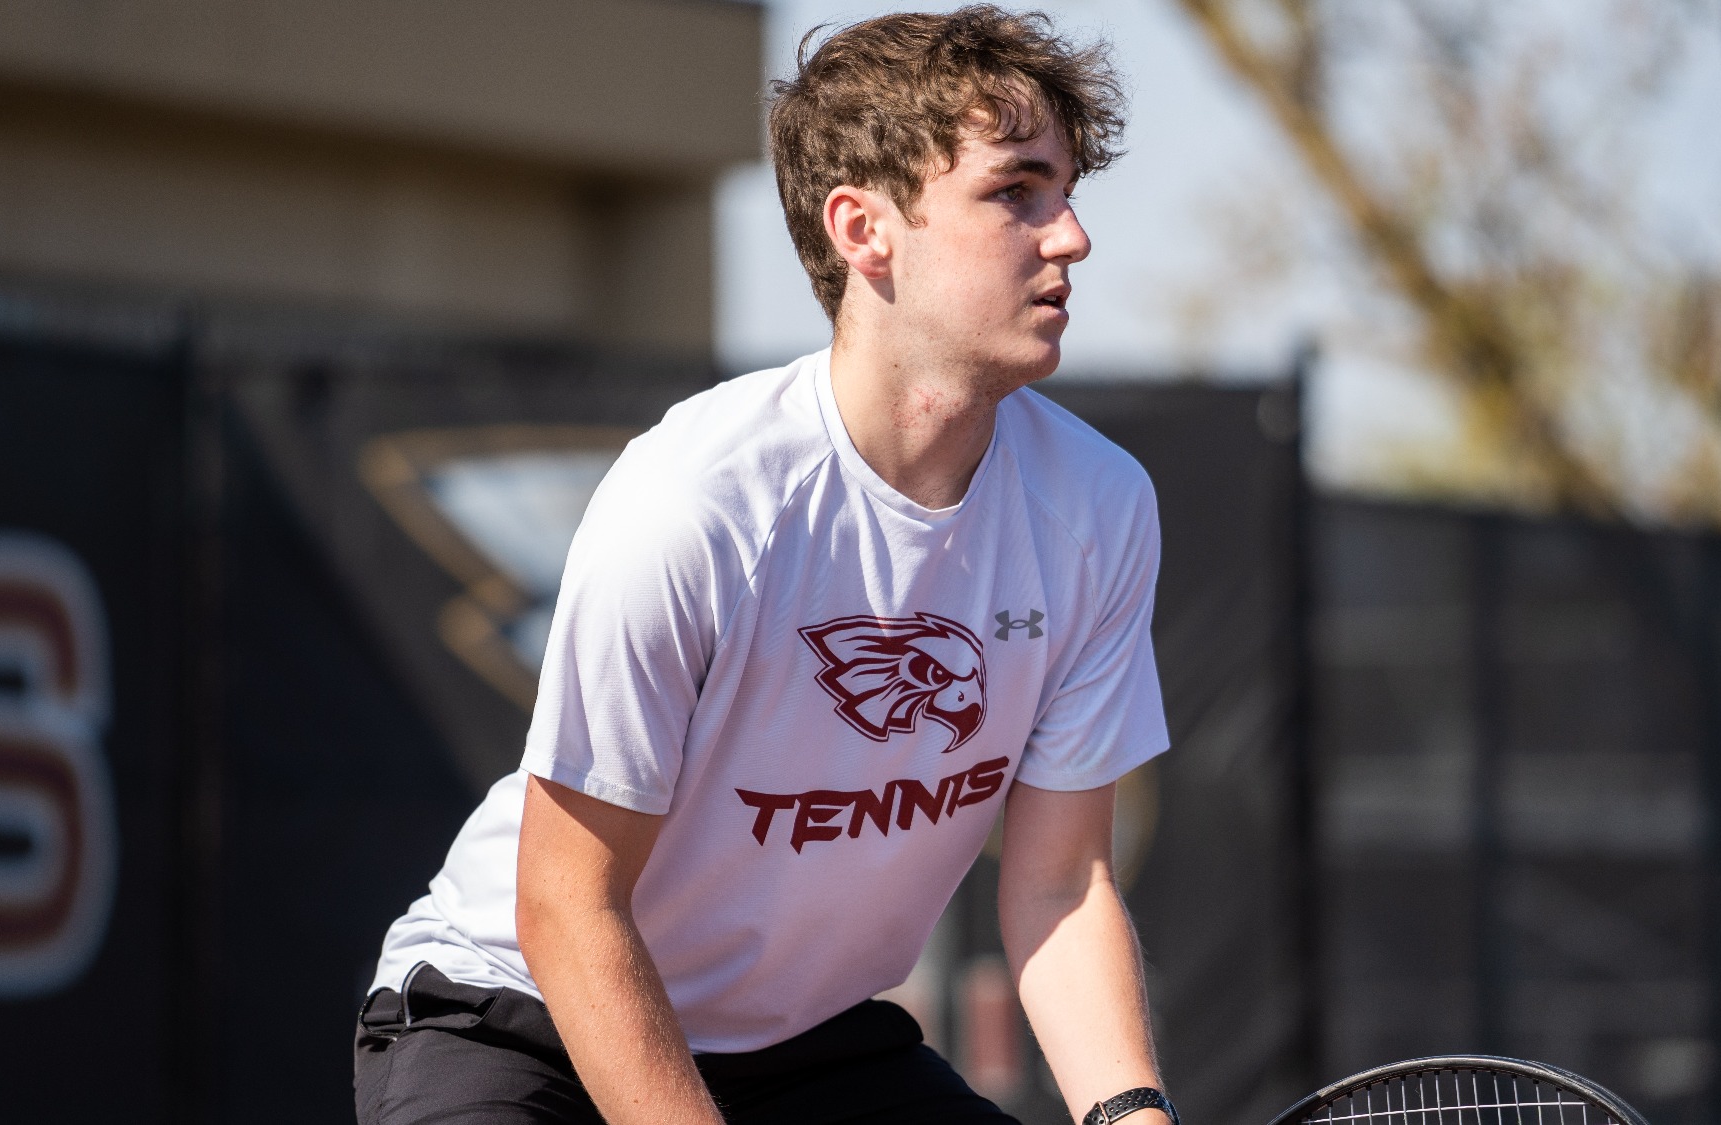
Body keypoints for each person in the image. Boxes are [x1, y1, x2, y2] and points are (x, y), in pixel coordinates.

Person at [354, 7, 1176, 1123]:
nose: (1069, 235)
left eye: (1066, 193)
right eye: (1013, 192)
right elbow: (566, 905)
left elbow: (1058, 882)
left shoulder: (1098, 507)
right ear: (863, 229)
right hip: (520, 1018)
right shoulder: (697, 503)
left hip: (805, 1046)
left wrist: (1130, 1116)